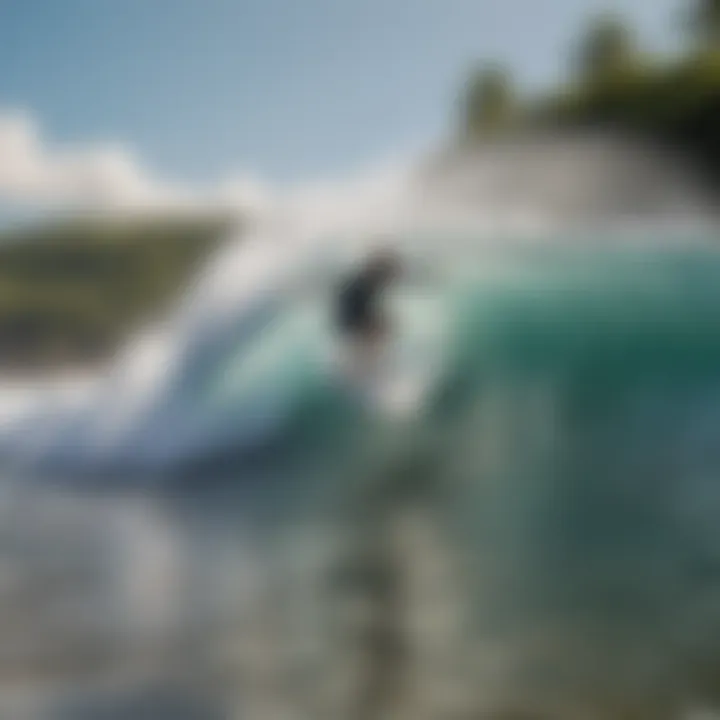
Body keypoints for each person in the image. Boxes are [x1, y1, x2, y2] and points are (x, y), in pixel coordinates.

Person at [335, 247, 401, 382]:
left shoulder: (366, 280)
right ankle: (365, 372)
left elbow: (366, 306)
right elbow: (355, 307)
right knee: (380, 333)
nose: (390, 280)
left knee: (383, 330)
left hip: (350, 319)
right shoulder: (364, 283)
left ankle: (366, 370)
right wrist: (375, 324)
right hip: (351, 321)